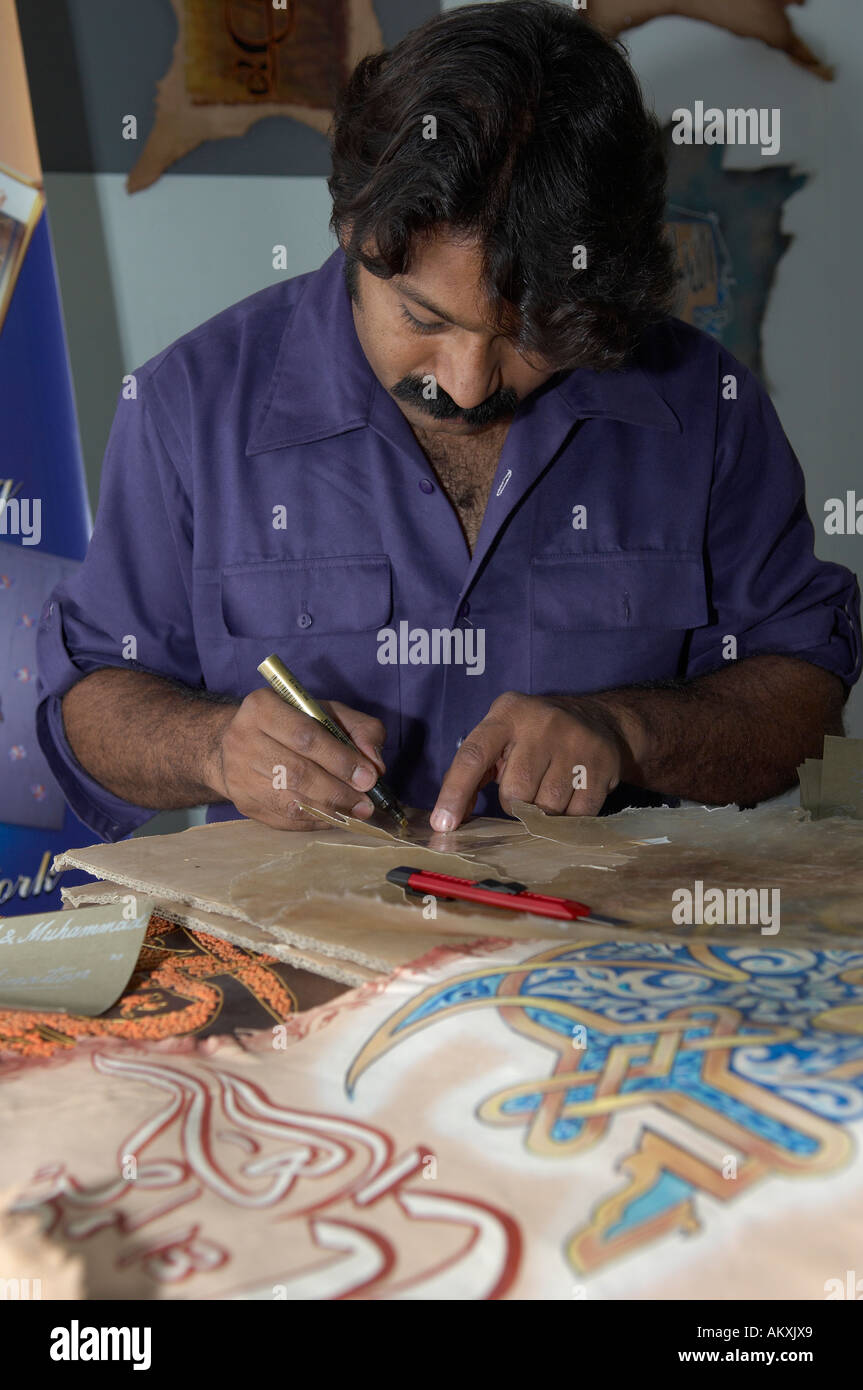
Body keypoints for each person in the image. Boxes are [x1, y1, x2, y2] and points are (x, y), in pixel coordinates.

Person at [36, 1, 860, 842]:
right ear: (354, 227)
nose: (466, 386)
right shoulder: (189, 407)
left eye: (530, 338)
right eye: (424, 321)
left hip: (599, 954)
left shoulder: (701, 405)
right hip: (306, 949)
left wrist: (628, 732)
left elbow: (802, 698)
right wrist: (216, 749)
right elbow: (90, 704)